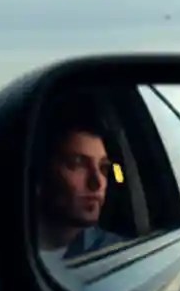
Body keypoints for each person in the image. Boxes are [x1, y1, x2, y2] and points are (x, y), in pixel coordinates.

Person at [32, 97, 126, 269]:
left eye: (103, 168)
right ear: (40, 172)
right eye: (77, 164)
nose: (97, 183)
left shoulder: (116, 252)